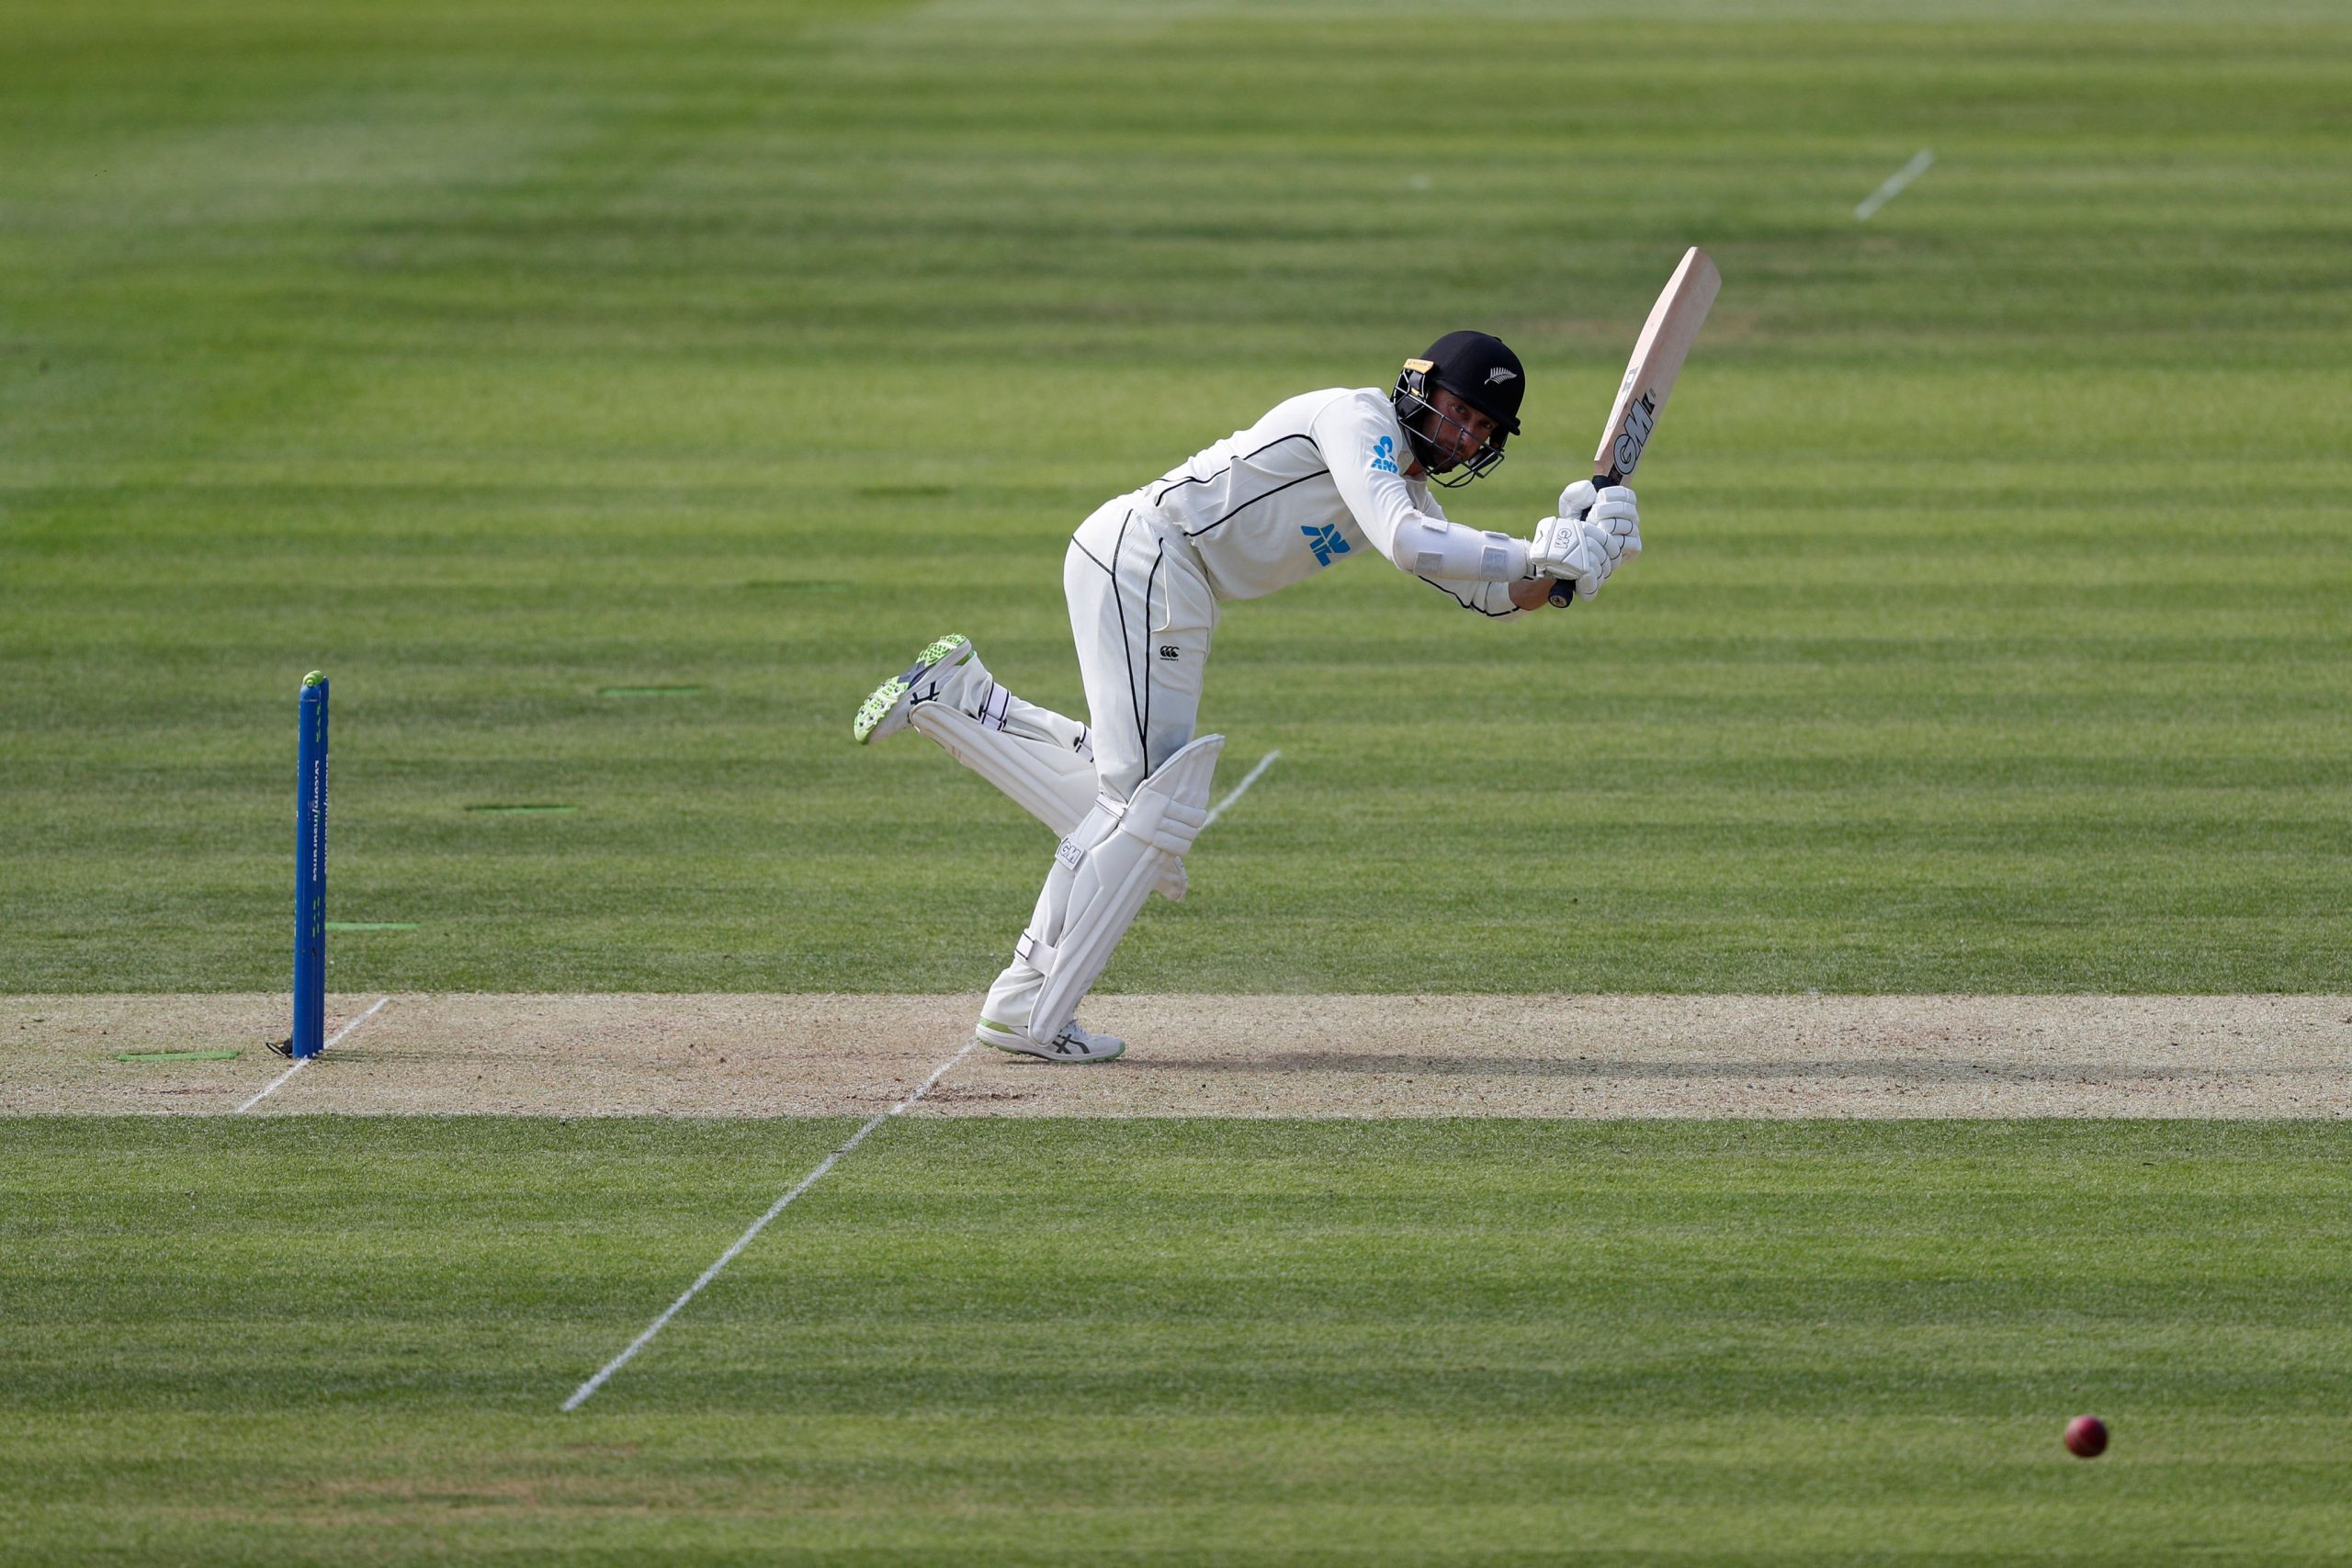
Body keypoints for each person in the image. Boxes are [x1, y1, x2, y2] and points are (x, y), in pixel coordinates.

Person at [851, 331, 1641, 1063]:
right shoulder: (1354, 419)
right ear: (1417, 389)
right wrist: (1540, 546)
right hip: (1153, 558)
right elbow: (1406, 542)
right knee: (1147, 812)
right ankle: (1024, 1004)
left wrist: (1566, 568)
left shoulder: (1407, 495)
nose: (1467, 437)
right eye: (1462, 413)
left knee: (1136, 811)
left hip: (1162, 575)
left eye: (1485, 431)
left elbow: (1490, 595)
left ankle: (961, 700)